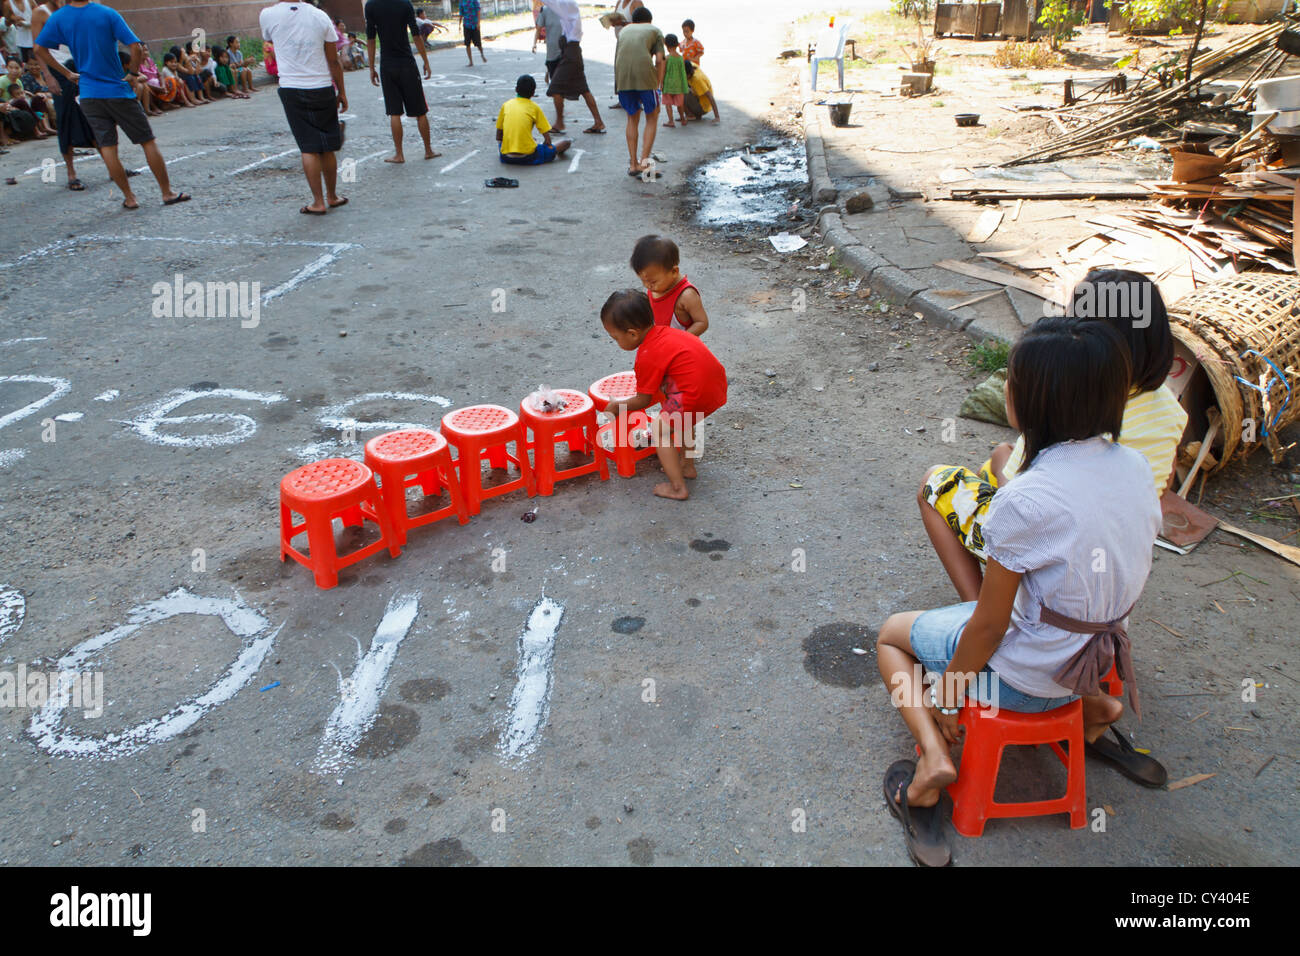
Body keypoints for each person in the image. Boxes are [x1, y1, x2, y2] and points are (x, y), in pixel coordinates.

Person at [877, 316, 1163, 866]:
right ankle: (1095, 710)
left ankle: (933, 761)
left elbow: (989, 625)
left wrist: (950, 698)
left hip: (1030, 679)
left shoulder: (1023, 499)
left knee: (890, 638)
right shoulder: (1135, 468)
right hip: (1094, 660)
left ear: (1024, 403)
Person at [34, 0, 190, 208]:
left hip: (89, 93)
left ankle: (130, 198)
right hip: (117, 89)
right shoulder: (106, 13)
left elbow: (39, 48)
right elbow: (135, 46)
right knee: (147, 141)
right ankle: (166, 192)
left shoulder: (60, 17)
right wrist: (134, 73)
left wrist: (66, 73)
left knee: (108, 147)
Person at [600, 289, 727, 500]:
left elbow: (644, 399)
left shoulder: (647, 354)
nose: (616, 341)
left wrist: (618, 406)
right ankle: (687, 465)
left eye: (615, 337)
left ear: (632, 333)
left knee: (660, 430)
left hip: (694, 392)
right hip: (714, 385)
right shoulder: (667, 332)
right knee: (684, 417)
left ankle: (678, 487)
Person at [259, 0, 348, 215]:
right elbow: (333, 60)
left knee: (308, 146)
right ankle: (332, 196)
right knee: (326, 144)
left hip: (292, 87)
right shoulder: (320, 16)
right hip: (321, 85)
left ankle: (317, 202)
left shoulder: (268, 15)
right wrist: (342, 92)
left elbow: (270, 39)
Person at [364, 0, 438, 163]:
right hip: (407, 63)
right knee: (420, 111)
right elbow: (416, 35)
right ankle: (428, 150)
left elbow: (370, 38)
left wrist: (371, 67)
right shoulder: (404, 4)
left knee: (394, 112)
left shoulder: (371, 5)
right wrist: (425, 61)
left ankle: (399, 154)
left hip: (387, 65)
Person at [537, 0, 603, 135]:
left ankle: (560, 123)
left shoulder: (568, 6)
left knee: (555, 88)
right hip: (572, 53)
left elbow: (553, 5)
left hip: (571, 54)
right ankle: (598, 122)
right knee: (583, 89)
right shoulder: (568, 11)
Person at [614, 5, 663, 177]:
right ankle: (644, 163)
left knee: (632, 117)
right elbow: (659, 59)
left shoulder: (624, 31)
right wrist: (657, 85)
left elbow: (618, 57)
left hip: (622, 77)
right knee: (652, 115)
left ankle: (633, 164)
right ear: (650, 21)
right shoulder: (654, 30)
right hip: (645, 77)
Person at [630, 235, 707, 335]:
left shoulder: (686, 295)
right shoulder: (656, 288)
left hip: (680, 348)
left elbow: (702, 323)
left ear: (674, 271)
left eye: (653, 282)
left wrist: (679, 340)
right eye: (643, 281)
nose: (647, 286)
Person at [495, 72, 568, 166]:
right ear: (533, 93)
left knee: (521, 140)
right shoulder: (534, 107)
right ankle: (550, 152)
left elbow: (498, 136)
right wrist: (547, 146)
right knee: (566, 143)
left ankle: (521, 145)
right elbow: (547, 140)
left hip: (506, 157)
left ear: (516, 89)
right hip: (528, 156)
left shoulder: (506, 105)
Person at [532, 0, 561, 87]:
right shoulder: (545, 10)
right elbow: (538, 29)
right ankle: (548, 72)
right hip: (552, 47)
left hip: (564, 46)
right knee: (553, 64)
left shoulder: (566, 10)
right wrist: (534, 44)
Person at [660, 33, 687, 127]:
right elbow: (682, 72)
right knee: (680, 104)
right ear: (677, 45)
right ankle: (683, 119)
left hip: (668, 84)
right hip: (678, 85)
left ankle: (671, 121)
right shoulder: (680, 58)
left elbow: (662, 72)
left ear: (666, 46)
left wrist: (661, 83)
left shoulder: (666, 58)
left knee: (668, 104)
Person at [458, 0, 483, 66]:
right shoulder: (461, 2)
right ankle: (471, 61)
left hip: (474, 24)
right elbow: (461, 13)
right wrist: (459, 25)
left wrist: (478, 23)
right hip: (466, 25)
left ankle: (482, 54)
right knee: (467, 43)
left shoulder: (474, 1)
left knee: (478, 43)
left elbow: (478, 11)